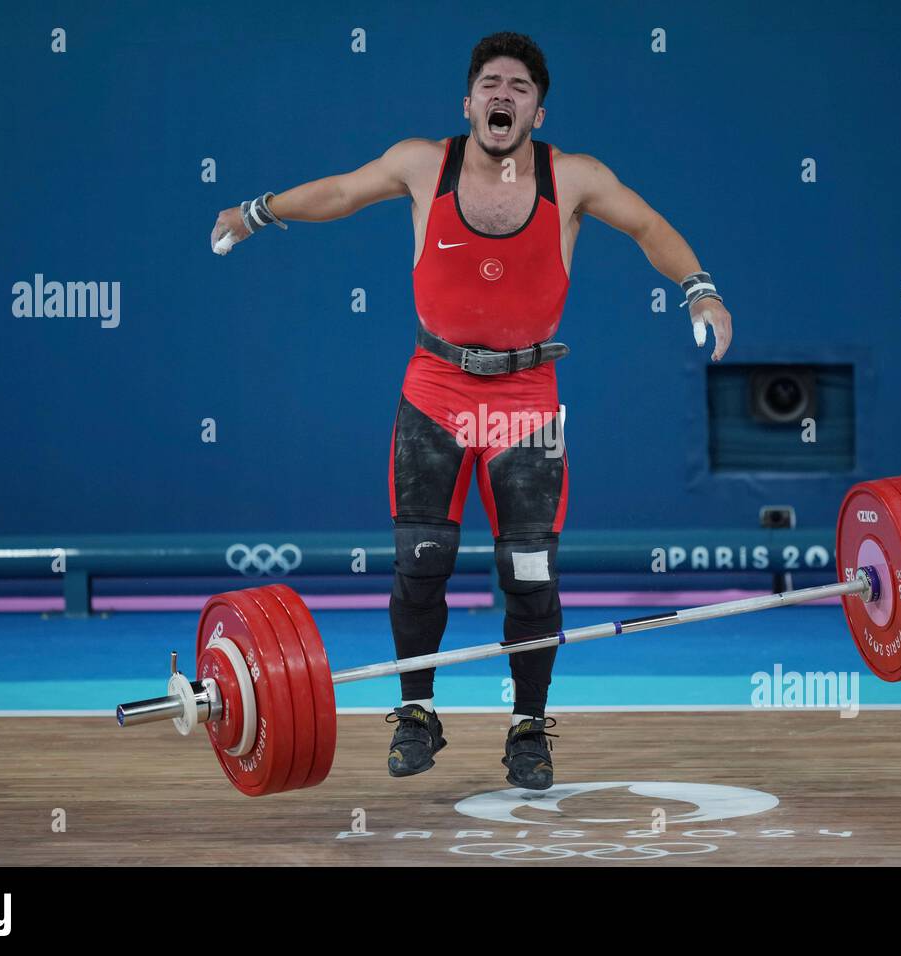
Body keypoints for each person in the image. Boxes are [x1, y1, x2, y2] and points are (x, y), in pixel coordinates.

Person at [210, 32, 733, 790]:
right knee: (419, 569)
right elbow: (341, 192)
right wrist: (258, 210)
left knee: (531, 577)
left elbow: (650, 226)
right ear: (468, 103)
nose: (503, 94)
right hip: (436, 392)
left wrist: (700, 288)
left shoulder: (573, 178)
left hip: (526, 403)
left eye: (519, 86)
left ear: (537, 111)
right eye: (490, 82)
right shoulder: (425, 164)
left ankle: (527, 726)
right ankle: (417, 711)